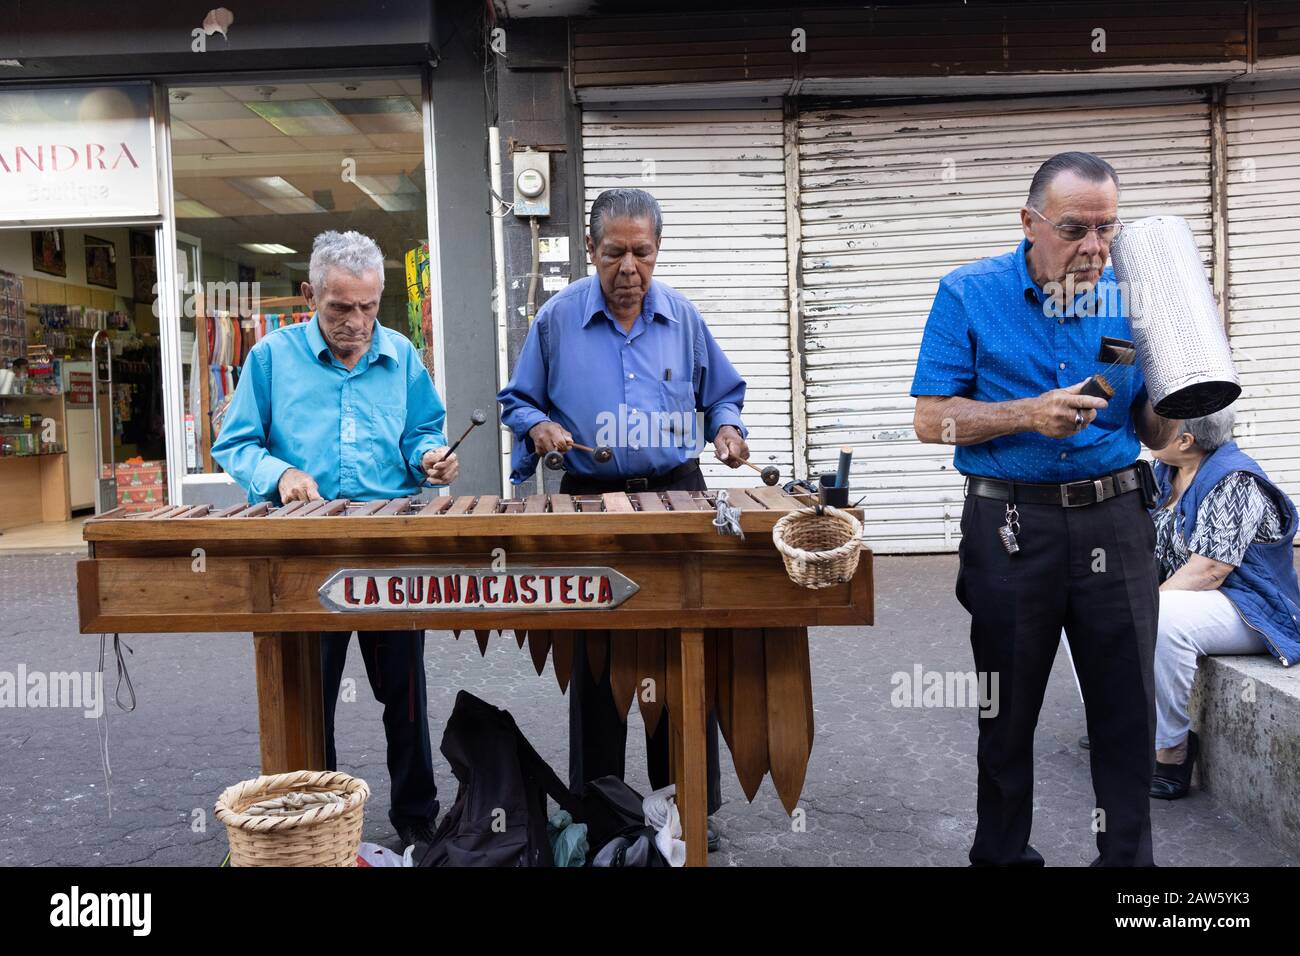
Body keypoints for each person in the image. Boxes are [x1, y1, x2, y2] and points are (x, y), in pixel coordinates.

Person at [911, 151, 1179, 866]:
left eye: (1106, 230)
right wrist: (1028, 414)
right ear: (1029, 223)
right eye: (1074, 229)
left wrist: (1177, 408)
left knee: (1126, 715)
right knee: (1008, 713)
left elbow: (1150, 430)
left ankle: (1127, 870)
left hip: (1117, 521)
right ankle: (1001, 857)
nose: (1094, 248)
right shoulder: (969, 293)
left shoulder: (1132, 295)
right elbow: (930, 420)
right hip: (1010, 529)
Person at [498, 187, 750, 852]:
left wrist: (725, 430)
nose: (629, 267)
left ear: (657, 250)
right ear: (591, 250)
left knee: (681, 657)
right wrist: (541, 425)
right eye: (615, 254)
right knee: (598, 661)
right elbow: (517, 400)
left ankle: (688, 805)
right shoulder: (556, 321)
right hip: (588, 500)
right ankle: (599, 806)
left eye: (642, 252)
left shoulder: (685, 318)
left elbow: (722, 394)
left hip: (676, 496)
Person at [212, 230, 458, 848]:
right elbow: (237, 444)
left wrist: (431, 456)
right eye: (340, 308)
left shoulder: (401, 356)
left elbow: (422, 430)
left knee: (404, 697)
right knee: (309, 696)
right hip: (304, 555)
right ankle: (313, 820)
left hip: (388, 550)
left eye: (369, 307)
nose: (357, 322)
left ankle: (416, 820)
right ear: (309, 295)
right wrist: (280, 474)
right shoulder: (271, 357)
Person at [1147, 407, 1300, 798]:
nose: (1148, 429)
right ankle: (1118, 724)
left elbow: (1210, 570)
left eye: (1161, 424)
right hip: (1201, 600)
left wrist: (1140, 605)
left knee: (1159, 617)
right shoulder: (1165, 471)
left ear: (1186, 440)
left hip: (1252, 608)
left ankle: (1173, 750)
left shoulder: (1235, 480)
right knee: (1081, 600)